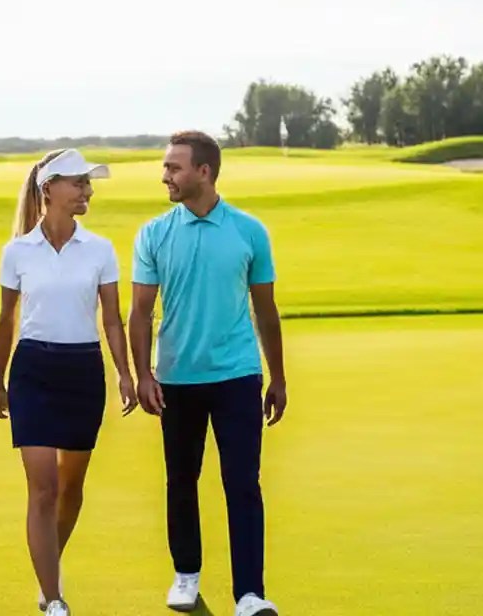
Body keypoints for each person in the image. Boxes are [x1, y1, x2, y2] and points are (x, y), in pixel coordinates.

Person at [128, 131, 287, 616]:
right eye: (165, 167)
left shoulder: (248, 231)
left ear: (204, 171)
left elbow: (265, 310)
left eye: (174, 167)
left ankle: (249, 594)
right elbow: (138, 312)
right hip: (176, 377)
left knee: (243, 483)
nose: (165, 176)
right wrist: (143, 374)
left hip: (237, 375)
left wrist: (277, 377)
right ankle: (186, 576)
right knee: (182, 479)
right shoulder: (154, 233)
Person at [0, 148, 140, 616]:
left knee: (71, 488)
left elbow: (112, 321)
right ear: (48, 189)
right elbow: (6, 320)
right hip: (33, 370)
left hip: (82, 370)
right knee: (43, 489)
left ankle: (47, 571)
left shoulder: (100, 249)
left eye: (88, 184)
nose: (86, 191)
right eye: (77, 183)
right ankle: (53, 596)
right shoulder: (17, 251)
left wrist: (125, 375)